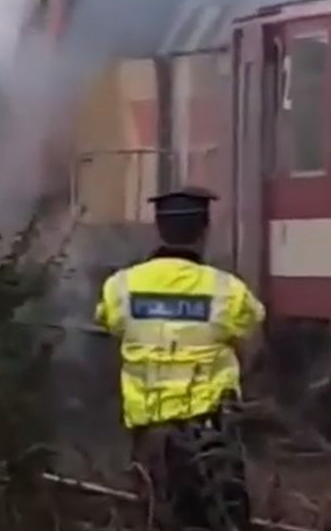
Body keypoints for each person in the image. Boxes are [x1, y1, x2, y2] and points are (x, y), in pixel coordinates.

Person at [95, 187, 265, 531]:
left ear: (158, 229)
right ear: (205, 231)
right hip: (211, 433)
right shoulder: (227, 290)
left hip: (149, 435)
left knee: (157, 517)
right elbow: (254, 340)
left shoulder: (121, 287)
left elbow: (110, 325)